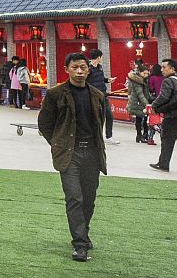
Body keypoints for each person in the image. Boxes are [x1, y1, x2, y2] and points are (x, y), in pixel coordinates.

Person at [37, 52, 107, 262]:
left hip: (92, 154)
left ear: (88, 70)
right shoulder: (55, 94)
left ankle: (83, 232)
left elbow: (100, 123)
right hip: (70, 154)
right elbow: (45, 124)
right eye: (75, 67)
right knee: (74, 198)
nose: (79, 72)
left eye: (83, 68)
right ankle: (80, 244)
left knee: (89, 198)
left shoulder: (97, 94)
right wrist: (59, 144)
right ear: (66, 69)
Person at [150, 58, 177, 172]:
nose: (162, 70)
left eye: (164, 67)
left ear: (172, 69)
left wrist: (154, 105)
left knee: (167, 141)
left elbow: (164, 96)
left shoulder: (168, 81)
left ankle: (163, 164)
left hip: (171, 116)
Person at [85, 49, 116, 144]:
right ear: (99, 57)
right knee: (96, 118)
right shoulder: (88, 69)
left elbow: (101, 79)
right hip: (93, 97)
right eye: (101, 57)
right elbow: (85, 82)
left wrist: (108, 80)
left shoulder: (100, 67)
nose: (101, 59)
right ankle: (95, 136)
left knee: (109, 116)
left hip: (103, 95)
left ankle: (109, 136)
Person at [126, 62, 153, 144]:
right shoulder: (137, 80)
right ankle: (139, 135)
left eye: (147, 73)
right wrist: (147, 104)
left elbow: (146, 92)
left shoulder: (144, 79)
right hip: (137, 102)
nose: (146, 75)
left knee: (144, 118)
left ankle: (143, 136)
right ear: (140, 72)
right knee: (139, 118)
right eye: (144, 73)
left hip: (142, 101)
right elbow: (140, 94)